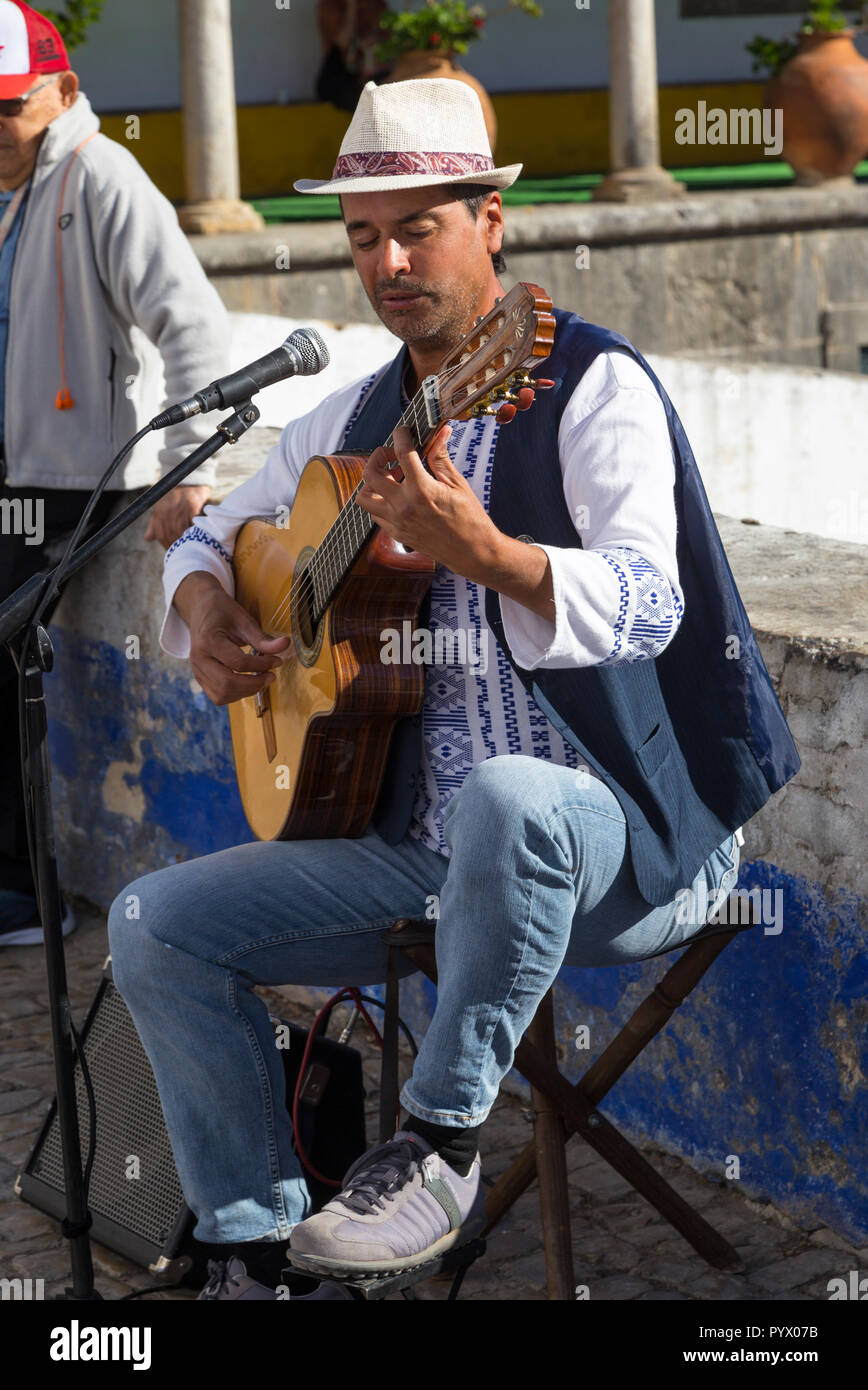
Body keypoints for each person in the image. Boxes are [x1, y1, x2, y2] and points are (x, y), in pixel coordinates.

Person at [108, 78, 800, 1301]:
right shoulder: (358, 414)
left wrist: (491, 555)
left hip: (628, 837)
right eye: (364, 237)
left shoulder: (589, 386)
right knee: (155, 924)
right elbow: (212, 533)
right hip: (421, 854)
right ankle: (261, 1252)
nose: (387, 262)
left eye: (417, 226)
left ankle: (434, 1148)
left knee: (511, 793)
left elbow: (654, 598)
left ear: (492, 221)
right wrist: (209, 608)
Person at [0, 2, 231, 947]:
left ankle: (23, 893)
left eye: (6, 106)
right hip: (13, 476)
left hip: (66, 484)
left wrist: (185, 466)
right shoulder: (11, 184)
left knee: (3, 648)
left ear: (61, 92)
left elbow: (196, 329)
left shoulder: (101, 176)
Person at [315, 0, 391, 111]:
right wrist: (352, 7)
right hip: (339, 77)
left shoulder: (377, 5)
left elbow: (387, 40)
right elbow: (342, 42)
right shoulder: (329, 5)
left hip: (370, 74)